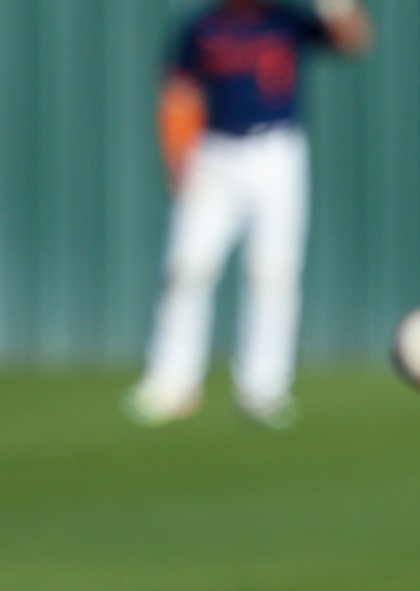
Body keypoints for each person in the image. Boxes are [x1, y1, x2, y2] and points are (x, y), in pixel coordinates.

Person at [125, 0, 371, 429]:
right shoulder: (204, 26)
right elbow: (179, 89)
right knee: (187, 267)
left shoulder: (285, 19)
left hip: (276, 153)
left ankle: (263, 389)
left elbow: (352, 42)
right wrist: (177, 154)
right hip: (214, 152)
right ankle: (171, 383)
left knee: (272, 272)